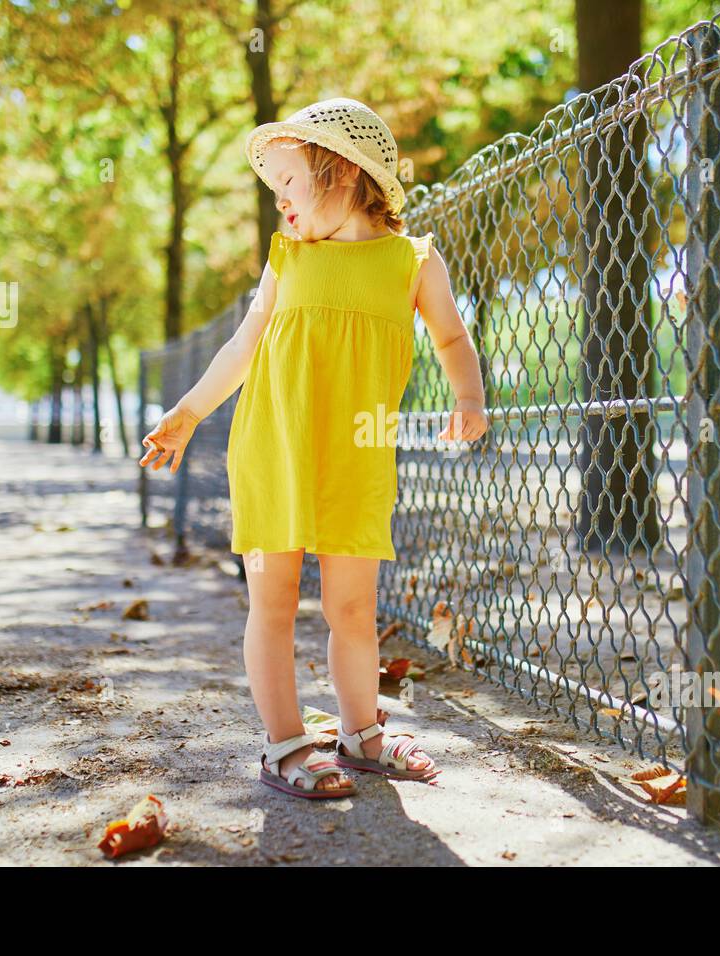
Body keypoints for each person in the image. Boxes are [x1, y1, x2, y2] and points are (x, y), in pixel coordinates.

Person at [140, 97, 488, 799]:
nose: (282, 205)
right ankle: (286, 744)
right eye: (275, 193)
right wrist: (188, 412)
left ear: (340, 172)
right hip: (274, 452)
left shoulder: (412, 261)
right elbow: (244, 344)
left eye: (290, 184)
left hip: (358, 461)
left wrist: (469, 400)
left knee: (352, 609)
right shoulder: (287, 258)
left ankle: (362, 734)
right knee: (272, 603)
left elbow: (452, 337)